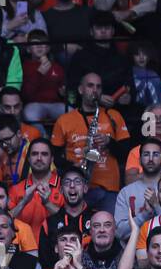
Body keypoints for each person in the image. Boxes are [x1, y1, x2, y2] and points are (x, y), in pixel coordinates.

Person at [50, 72, 130, 202]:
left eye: (98, 87)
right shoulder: (64, 120)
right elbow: (54, 157)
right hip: (76, 189)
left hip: (109, 188)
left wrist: (109, 142)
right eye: (90, 86)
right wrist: (71, 166)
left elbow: (126, 153)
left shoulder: (114, 115)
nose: (95, 90)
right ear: (81, 90)